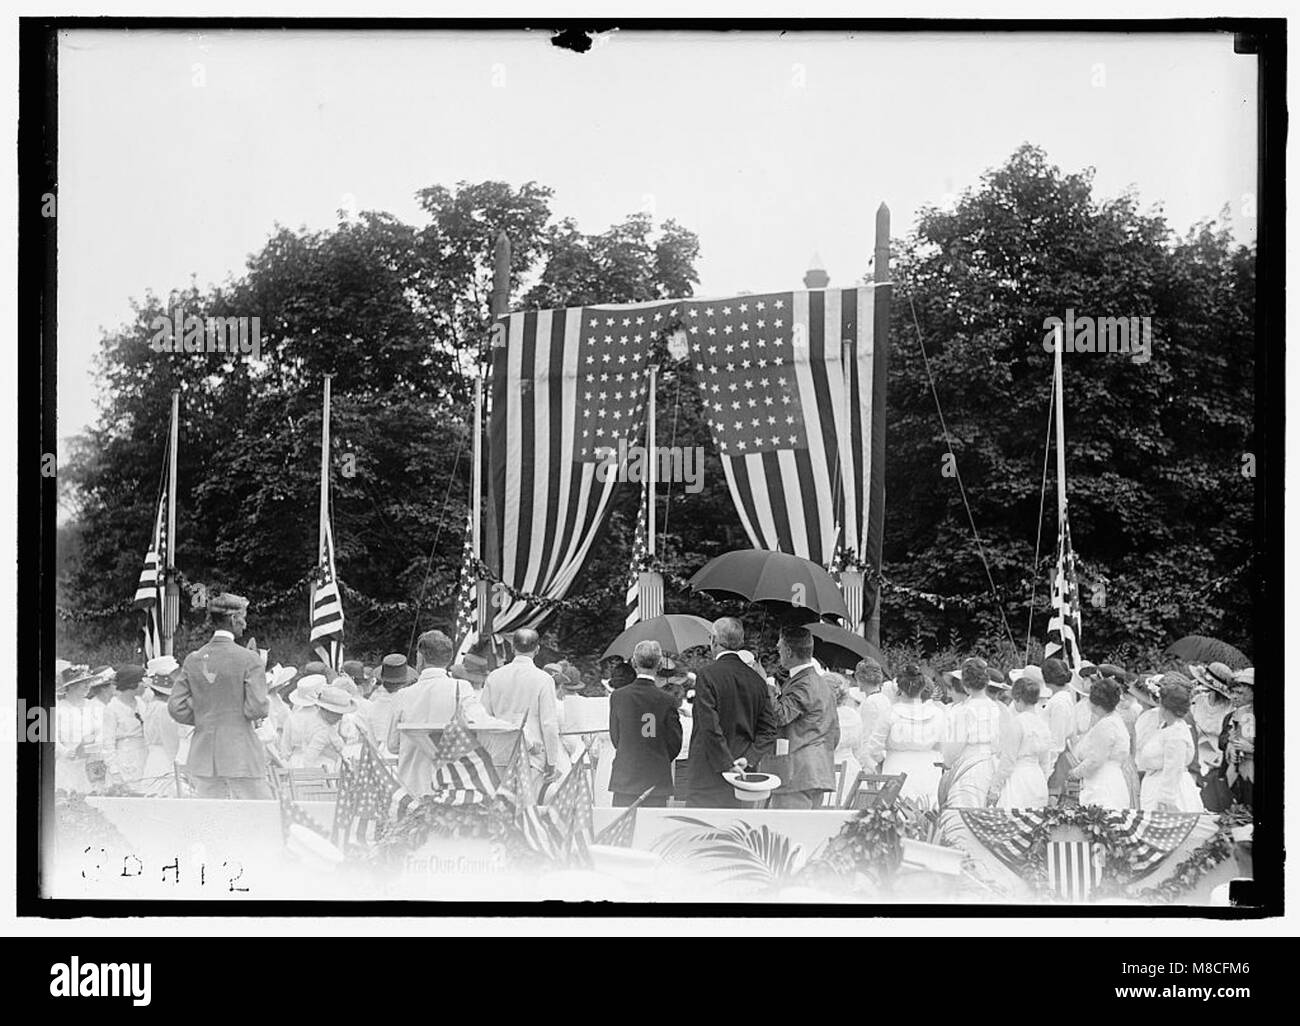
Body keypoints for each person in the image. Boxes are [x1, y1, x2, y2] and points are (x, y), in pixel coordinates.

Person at [169, 592, 273, 799]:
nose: (245, 624)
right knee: (261, 815)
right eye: (243, 617)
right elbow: (257, 708)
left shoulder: (194, 659)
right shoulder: (250, 659)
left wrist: (203, 716)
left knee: (212, 820)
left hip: (204, 753)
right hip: (241, 752)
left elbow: (176, 707)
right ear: (234, 619)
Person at [685, 617, 775, 808]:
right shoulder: (757, 680)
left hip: (708, 772)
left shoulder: (707, 675)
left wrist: (727, 762)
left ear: (714, 641)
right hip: (743, 774)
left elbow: (709, 724)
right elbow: (768, 730)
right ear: (740, 643)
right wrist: (749, 758)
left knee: (700, 834)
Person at [388, 631, 484, 794]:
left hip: (412, 787)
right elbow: (480, 728)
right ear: (448, 659)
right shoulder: (462, 689)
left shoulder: (403, 695)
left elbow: (392, 745)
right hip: (449, 789)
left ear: (420, 658)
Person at [757, 625, 839, 810]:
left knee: (786, 834)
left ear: (788, 651)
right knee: (806, 835)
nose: (778, 652)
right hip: (818, 772)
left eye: (779, 648)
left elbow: (779, 716)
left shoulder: (803, 684)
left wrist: (765, 685)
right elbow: (835, 733)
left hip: (796, 774)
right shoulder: (822, 683)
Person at [480, 629, 564, 792]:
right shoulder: (544, 679)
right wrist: (552, 761)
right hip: (532, 756)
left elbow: (484, 718)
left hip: (499, 753)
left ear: (512, 647)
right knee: (526, 809)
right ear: (537, 649)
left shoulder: (494, 676)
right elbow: (549, 724)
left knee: (500, 809)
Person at [607, 640, 682, 808]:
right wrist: (658, 757)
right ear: (660, 664)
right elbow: (675, 742)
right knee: (652, 832)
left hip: (625, 777)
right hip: (656, 779)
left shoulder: (619, 696)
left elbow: (616, 737)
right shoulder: (667, 700)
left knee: (623, 832)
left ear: (633, 662)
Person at [866, 663, 947, 806]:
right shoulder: (938, 714)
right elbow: (943, 746)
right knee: (925, 812)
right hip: (928, 768)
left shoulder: (890, 713)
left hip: (896, 765)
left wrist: (881, 762)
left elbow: (874, 747)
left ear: (899, 688)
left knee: (897, 814)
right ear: (923, 687)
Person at [1136, 680, 1204, 813]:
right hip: (1154, 783)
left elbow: (1174, 769)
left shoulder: (1176, 734)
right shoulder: (1166, 726)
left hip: (1169, 791)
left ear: (1166, 707)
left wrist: (1166, 800)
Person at [1067, 677, 1131, 809]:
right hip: (1111, 778)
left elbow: (1096, 759)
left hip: (1102, 782)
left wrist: (1075, 773)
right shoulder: (1114, 720)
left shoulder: (1106, 725)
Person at [991, 677, 1053, 809]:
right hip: (1037, 777)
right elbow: (1046, 761)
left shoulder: (1017, 723)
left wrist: (995, 788)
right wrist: (1043, 779)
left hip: (1018, 777)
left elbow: (1007, 760)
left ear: (1018, 698)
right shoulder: (1043, 724)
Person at [54, 666, 105, 793]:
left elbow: (102, 731)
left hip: (91, 762)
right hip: (67, 763)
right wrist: (65, 752)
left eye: (89, 683)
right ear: (71, 686)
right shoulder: (59, 709)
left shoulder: (94, 706)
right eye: (84, 683)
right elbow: (52, 738)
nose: (88, 687)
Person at [140, 656, 183, 795]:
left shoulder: (152, 705)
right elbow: (170, 741)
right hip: (164, 757)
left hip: (153, 755)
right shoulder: (164, 709)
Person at [1188, 662, 1236, 781]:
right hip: (1193, 757)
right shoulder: (1197, 701)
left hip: (1218, 761)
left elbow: (1231, 739)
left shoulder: (1231, 709)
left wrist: (1224, 759)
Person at [294, 685, 355, 772]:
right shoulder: (322, 732)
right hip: (323, 772)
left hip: (328, 769)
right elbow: (309, 759)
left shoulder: (316, 720)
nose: (340, 718)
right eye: (338, 714)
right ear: (328, 711)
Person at [1218, 668, 1255, 809]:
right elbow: (1222, 740)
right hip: (1235, 775)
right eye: (1232, 692)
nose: (1234, 697)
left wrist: (1251, 749)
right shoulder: (1230, 717)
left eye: (1240, 693)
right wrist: (1230, 747)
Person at [365, 654, 417, 745]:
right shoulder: (411, 705)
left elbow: (370, 742)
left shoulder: (371, 706)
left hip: (380, 755)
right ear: (404, 681)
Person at [852, 657, 892, 756]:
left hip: (871, 756)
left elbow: (866, 735)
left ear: (860, 679)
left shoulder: (870, 703)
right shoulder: (884, 699)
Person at [827, 672, 865, 768]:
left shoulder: (823, 717)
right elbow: (859, 748)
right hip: (851, 765)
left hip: (829, 768)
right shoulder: (853, 715)